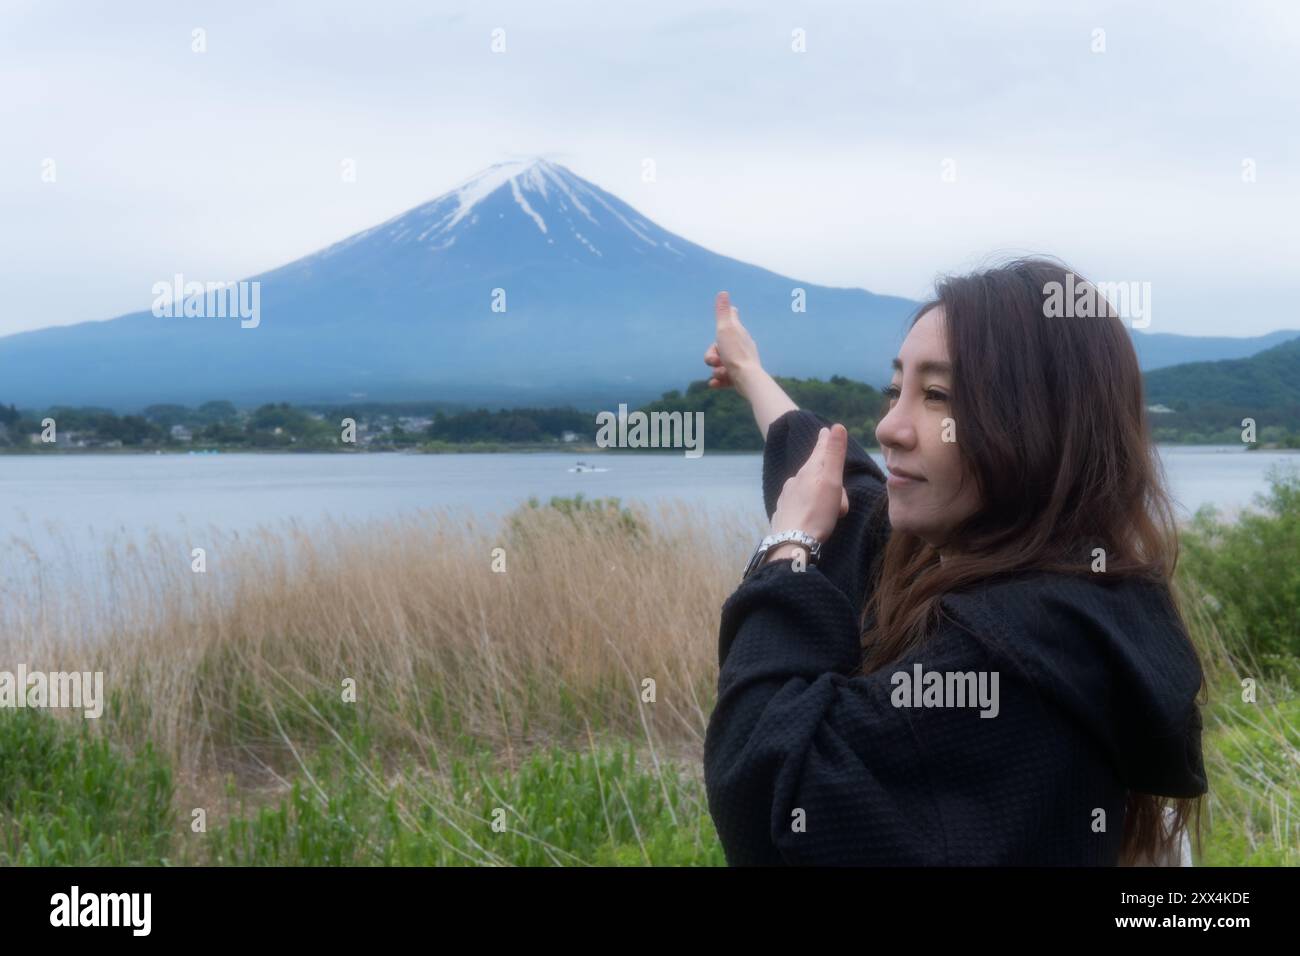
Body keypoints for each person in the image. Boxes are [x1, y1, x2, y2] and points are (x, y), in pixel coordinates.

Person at [701, 258, 1207, 866]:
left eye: (936, 395)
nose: (889, 426)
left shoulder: (1003, 657)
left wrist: (785, 551)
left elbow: (767, 803)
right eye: (896, 390)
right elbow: (848, 484)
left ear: (1039, 425)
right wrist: (751, 373)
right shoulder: (1079, 592)